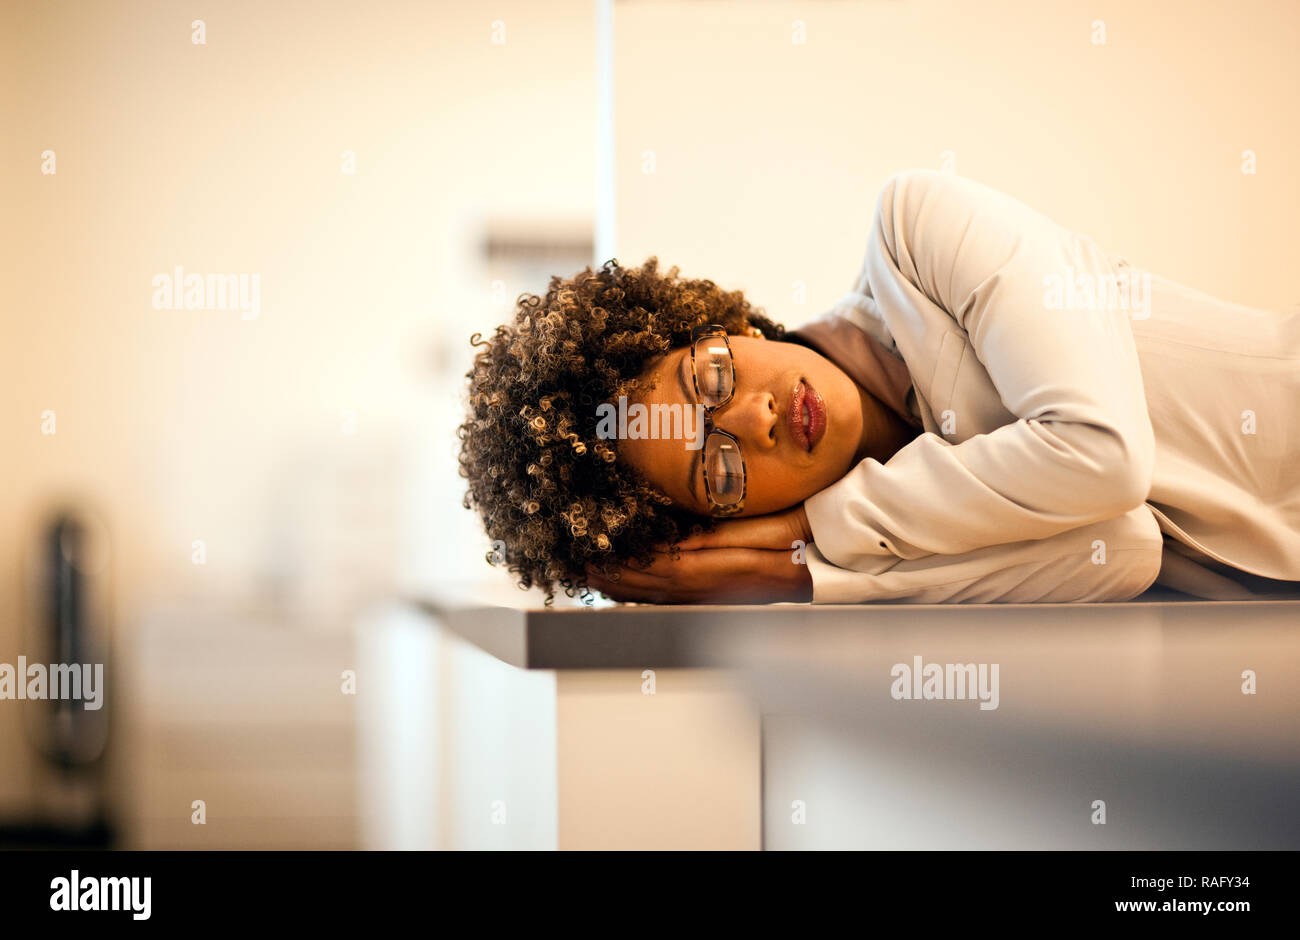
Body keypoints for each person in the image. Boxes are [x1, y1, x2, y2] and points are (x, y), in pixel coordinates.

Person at [459, 170, 1300, 604]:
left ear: (724, 325)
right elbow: (1120, 549)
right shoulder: (876, 540)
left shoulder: (918, 234)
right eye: (718, 473)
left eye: (710, 376)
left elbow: (1105, 460)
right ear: (731, 523)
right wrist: (801, 572)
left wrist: (814, 526)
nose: (754, 416)